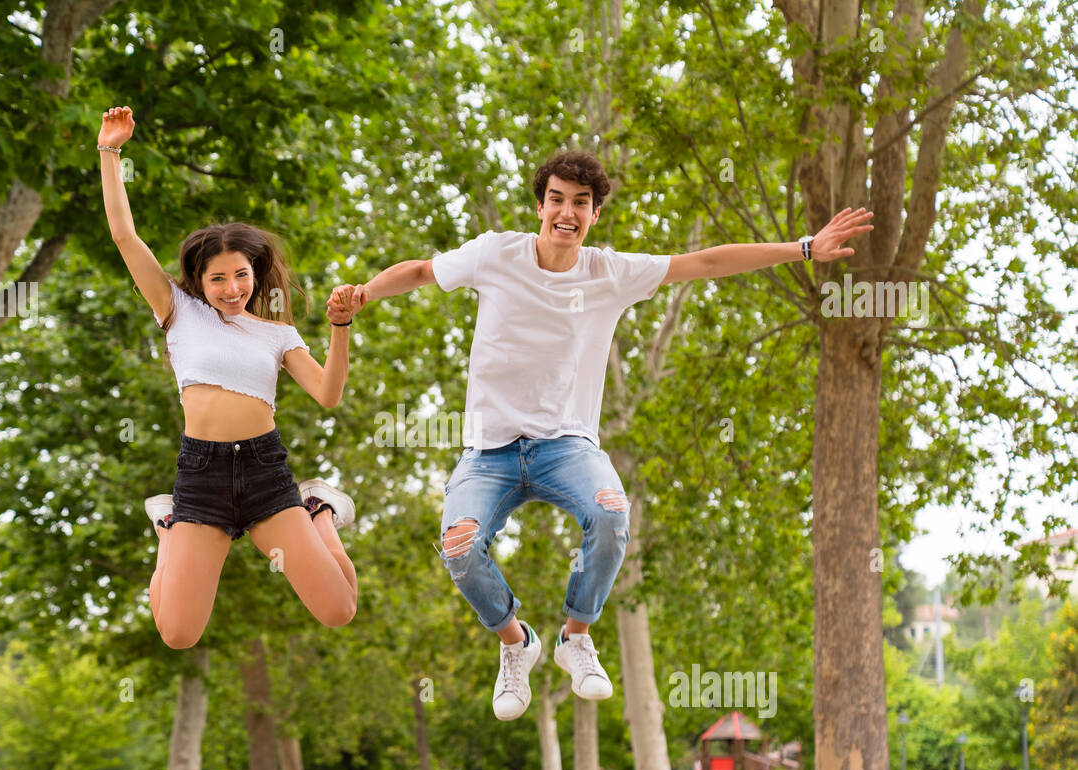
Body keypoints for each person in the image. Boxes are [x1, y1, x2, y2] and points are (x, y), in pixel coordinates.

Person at [332, 150, 873, 720]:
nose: (567, 213)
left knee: (613, 515)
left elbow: (706, 262)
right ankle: (517, 643)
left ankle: (575, 636)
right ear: (540, 205)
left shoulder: (610, 271)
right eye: (558, 200)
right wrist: (365, 292)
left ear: (594, 215)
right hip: (488, 450)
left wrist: (805, 248)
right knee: (459, 548)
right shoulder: (495, 254)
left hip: (566, 446)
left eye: (581, 204)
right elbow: (420, 271)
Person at [98, 106, 360, 648]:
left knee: (339, 608)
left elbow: (328, 394)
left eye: (241, 275)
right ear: (198, 279)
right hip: (202, 475)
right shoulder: (176, 309)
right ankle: (170, 526)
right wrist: (111, 152)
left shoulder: (277, 334)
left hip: (266, 472)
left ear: (254, 273)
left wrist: (340, 327)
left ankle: (320, 510)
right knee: (176, 633)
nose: (232, 287)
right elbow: (124, 236)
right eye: (218, 278)